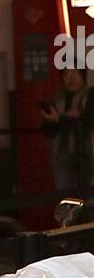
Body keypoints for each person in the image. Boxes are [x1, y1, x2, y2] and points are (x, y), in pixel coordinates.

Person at [40, 67, 94, 196]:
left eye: (75, 72)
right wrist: (57, 119)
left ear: (83, 75)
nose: (71, 77)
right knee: (66, 199)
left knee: (88, 198)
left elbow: (89, 119)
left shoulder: (90, 94)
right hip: (61, 155)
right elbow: (47, 131)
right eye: (67, 73)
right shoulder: (57, 98)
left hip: (87, 154)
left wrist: (61, 118)